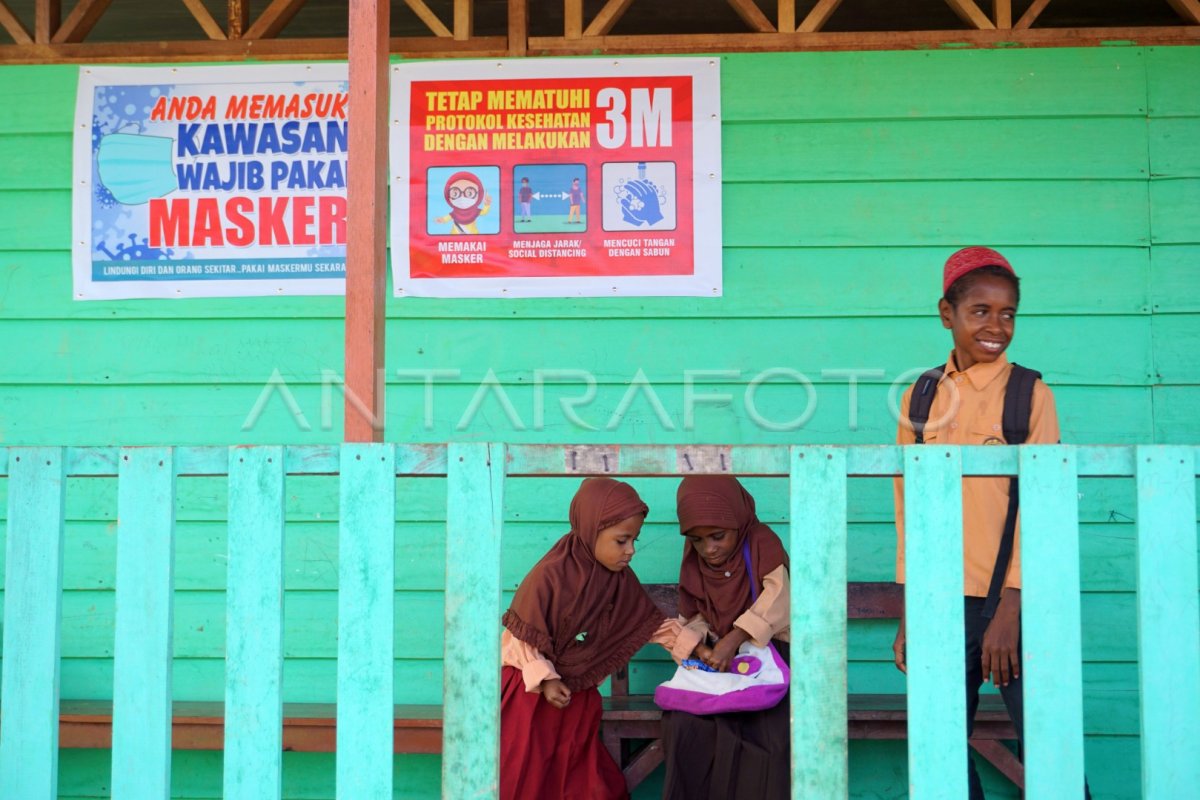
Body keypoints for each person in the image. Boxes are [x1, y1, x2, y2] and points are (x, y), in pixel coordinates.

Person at [892, 246, 1089, 799]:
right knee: (941, 749)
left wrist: (1010, 607)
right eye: (980, 311)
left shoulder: (1030, 395)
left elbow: (1041, 510)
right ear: (946, 313)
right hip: (939, 601)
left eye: (1008, 313)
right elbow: (909, 510)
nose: (997, 326)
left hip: (1015, 603)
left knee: (1050, 748)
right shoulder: (922, 396)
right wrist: (911, 608)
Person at [500, 477, 673, 800]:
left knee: (586, 786)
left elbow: (651, 625)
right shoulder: (549, 575)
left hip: (575, 700)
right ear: (592, 530)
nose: (631, 550)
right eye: (621, 541)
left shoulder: (619, 580)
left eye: (634, 540)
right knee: (525, 778)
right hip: (530, 698)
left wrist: (695, 647)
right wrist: (547, 680)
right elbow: (519, 640)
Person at [660, 475, 791, 799]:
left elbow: (780, 599)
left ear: (737, 519)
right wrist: (702, 647)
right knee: (686, 728)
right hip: (719, 662)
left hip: (769, 658)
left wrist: (733, 639)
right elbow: (696, 614)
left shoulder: (762, 541)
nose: (709, 548)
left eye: (717, 536)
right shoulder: (695, 556)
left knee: (766, 734)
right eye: (697, 540)